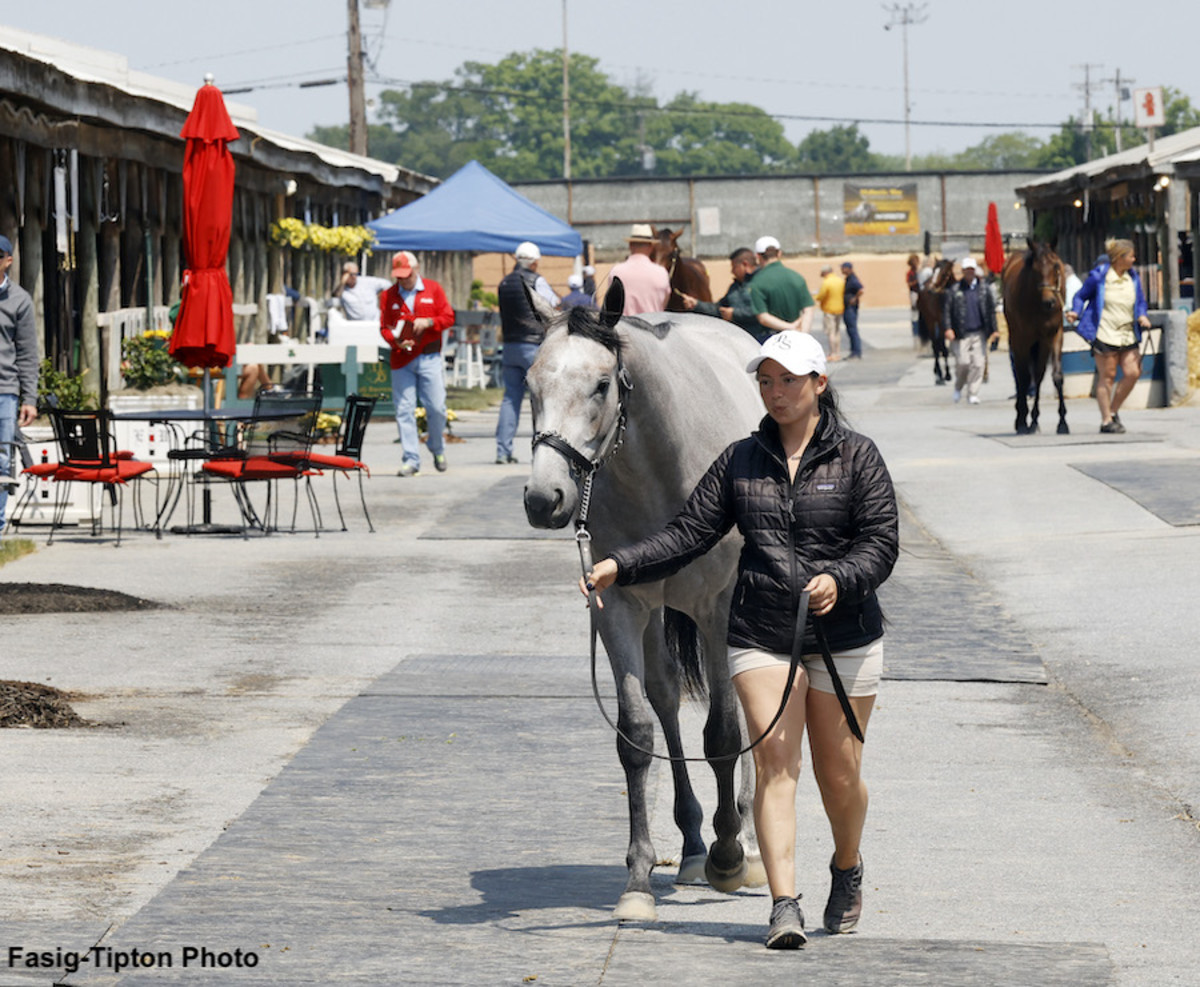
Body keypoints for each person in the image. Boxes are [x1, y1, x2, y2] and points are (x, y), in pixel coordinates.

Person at [580, 330, 898, 949]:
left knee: (839, 777)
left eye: (789, 381)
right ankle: (784, 905)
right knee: (775, 767)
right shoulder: (740, 460)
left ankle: (846, 865)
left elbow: (881, 543)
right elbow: (688, 533)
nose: (776, 394)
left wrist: (843, 577)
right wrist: (623, 563)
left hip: (845, 634)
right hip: (764, 632)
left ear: (819, 385)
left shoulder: (858, 458)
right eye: (766, 382)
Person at [379, 250, 456, 476]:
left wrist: (430, 321)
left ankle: (436, 446)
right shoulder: (388, 295)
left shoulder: (433, 289)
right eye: (399, 275)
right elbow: (384, 328)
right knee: (404, 410)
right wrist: (395, 341)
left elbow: (449, 317)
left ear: (416, 269)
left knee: (437, 407)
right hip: (402, 359)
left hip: (429, 356)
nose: (403, 279)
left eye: (407, 274)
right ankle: (411, 459)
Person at [1066, 239, 1151, 434]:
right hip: (1105, 332)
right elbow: (1081, 296)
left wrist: (1142, 315)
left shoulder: (1133, 277)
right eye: (1130, 256)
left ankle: (1113, 410)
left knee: (1133, 372)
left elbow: (1140, 301)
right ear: (1119, 258)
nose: (1134, 259)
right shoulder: (1099, 277)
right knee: (1108, 376)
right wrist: (1076, 312)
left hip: (1128, 333)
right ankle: (1106, 420)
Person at [495, 242, 560, 465]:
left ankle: (502, 451)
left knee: (510, 400)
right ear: (534, 262)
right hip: (532, 346)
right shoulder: (536, 280)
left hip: (510, 346)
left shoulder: (504, 282)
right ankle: (538, 452)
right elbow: (552, 305)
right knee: (540, 401)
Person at [0, 234, 38, 534]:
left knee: (2, 458)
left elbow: (27, 353)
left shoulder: (20, 300)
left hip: (6, 391)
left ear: (8, 261)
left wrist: (30, 398)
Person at [942, 257, 998, 404]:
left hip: (979, 332)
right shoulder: (955, 290)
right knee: (963, 363)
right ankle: (958, 387)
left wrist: (994, 329)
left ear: (975, 271)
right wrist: (948, 328)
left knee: (979, 364)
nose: (969, 273)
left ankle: (973, 392)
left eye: (971, 270)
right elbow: (947, 311)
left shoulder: (984, 289)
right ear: (963, 272)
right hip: (961, 333)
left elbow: (991, 310)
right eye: (966, 270)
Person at [676, 246, 760, 338]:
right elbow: (719, 309)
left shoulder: (762, 283)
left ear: (745, 264)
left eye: (734, 267)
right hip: (739, 338)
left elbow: (764, 311)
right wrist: (696, 304)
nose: (732, 271)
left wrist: (735, 314)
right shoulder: (735, 287)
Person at [749, 236, 814, 341]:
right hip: (796, 339)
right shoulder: (797, 277)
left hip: (770, 340)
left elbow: (763, 317)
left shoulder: (757, 282)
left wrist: (790, 327)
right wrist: (802, 334)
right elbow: (809, 309)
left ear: (758, 256)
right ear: (779, 253)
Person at [606, 224, 671, 315]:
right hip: (653, 326)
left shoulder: (616, 271)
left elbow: (610, 303)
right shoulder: (662, 273)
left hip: (624, 327)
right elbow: (664, 302)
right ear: (651, 247)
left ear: (630, 245)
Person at [814, 265, 846, 361]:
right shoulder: (840, 281)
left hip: (829, 310)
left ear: (825, 272)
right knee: (837, 331)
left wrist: (815, 297)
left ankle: (832, 353)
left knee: (831, 332)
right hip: (840, 308)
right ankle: (838, 352)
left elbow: (821, 296)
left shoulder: (826, 282)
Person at [840, 262, 864, 359]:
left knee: (852, 330)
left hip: (851, 308)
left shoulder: (853, 279)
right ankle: (854, 351)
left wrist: (854, 299)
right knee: (850, 330)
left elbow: (861, 289)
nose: (842, 270)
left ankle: (856, 352)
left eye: (843, 268)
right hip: (847, 308)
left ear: (848, 268)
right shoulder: (848, 278)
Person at [906, 253, 922, 345]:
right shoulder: (910, 273)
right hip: (914, 293)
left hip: (921, 294)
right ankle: (916, 336)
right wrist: (916, 281)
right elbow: (909, 284)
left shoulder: (919, 272)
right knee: (915, 315)